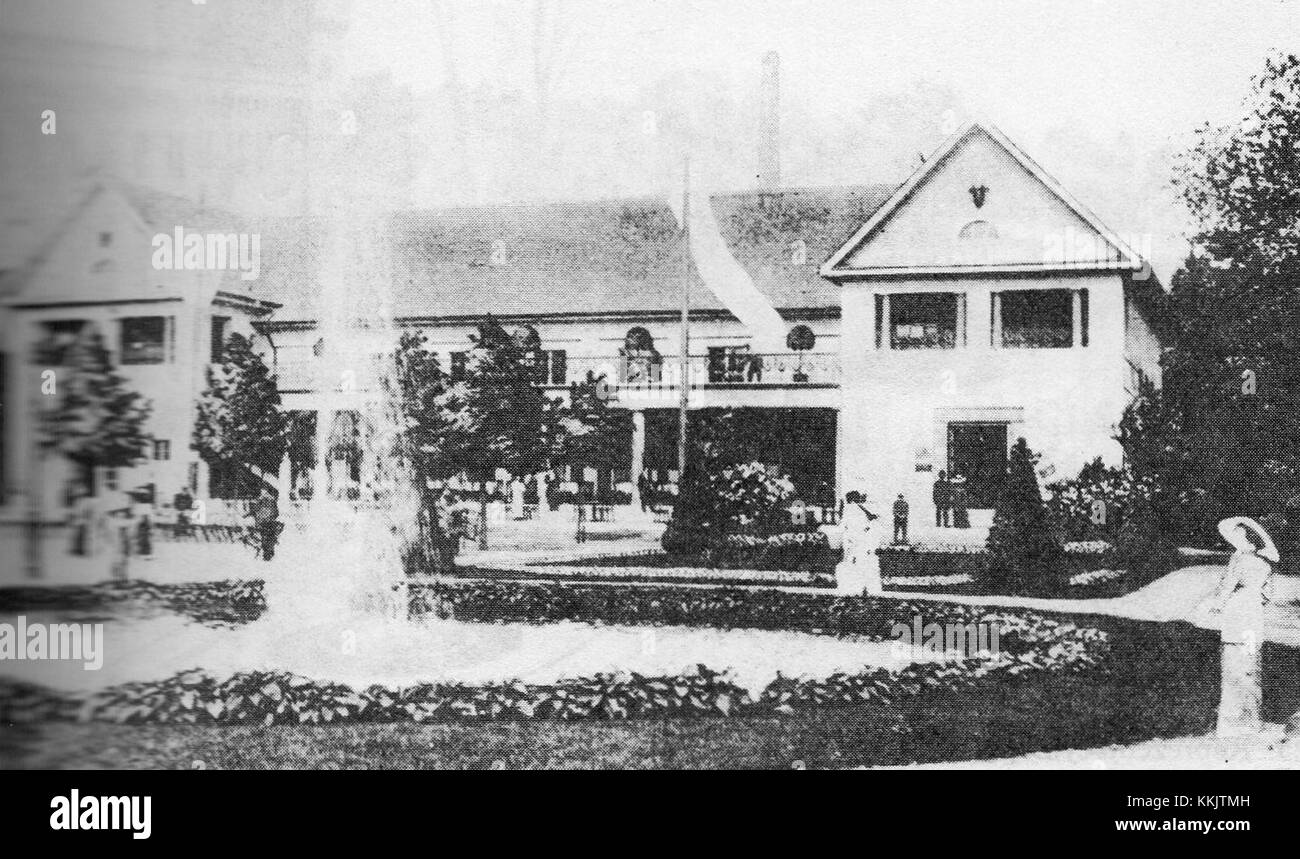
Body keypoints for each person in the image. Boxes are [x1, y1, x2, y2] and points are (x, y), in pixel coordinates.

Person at [1209, 516, 1278, 738]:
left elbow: (1226, 586)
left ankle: (1232, 723)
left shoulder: (1238, 560)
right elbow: (1268, 594)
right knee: (1250, 666)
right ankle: (1251, 720)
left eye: (1236, 537)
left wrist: (1217, 604)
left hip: (1236, 616)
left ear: (1245, 539)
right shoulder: (1265, 562)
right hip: (1253, 617)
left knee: (1233, 665)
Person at [837, 490, 882, 595]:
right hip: (862, 539)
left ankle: (851, 589)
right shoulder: (863, 510)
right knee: (863, 563)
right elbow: (869, 525)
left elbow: (843, 526)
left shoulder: (848, 509)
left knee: (850, 563)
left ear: (851, 500)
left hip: (851, 540)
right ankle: (865, 587)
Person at [248, 487, 282, 561]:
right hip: (270, 523)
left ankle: (266, 555)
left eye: (262, 491)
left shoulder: (260, 500)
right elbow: (277, 513)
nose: (262, 493)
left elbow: (255, 510)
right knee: (269, 539)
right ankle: (269, 554)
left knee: (264, 538)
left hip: (263, 523)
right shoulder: (272, 500)